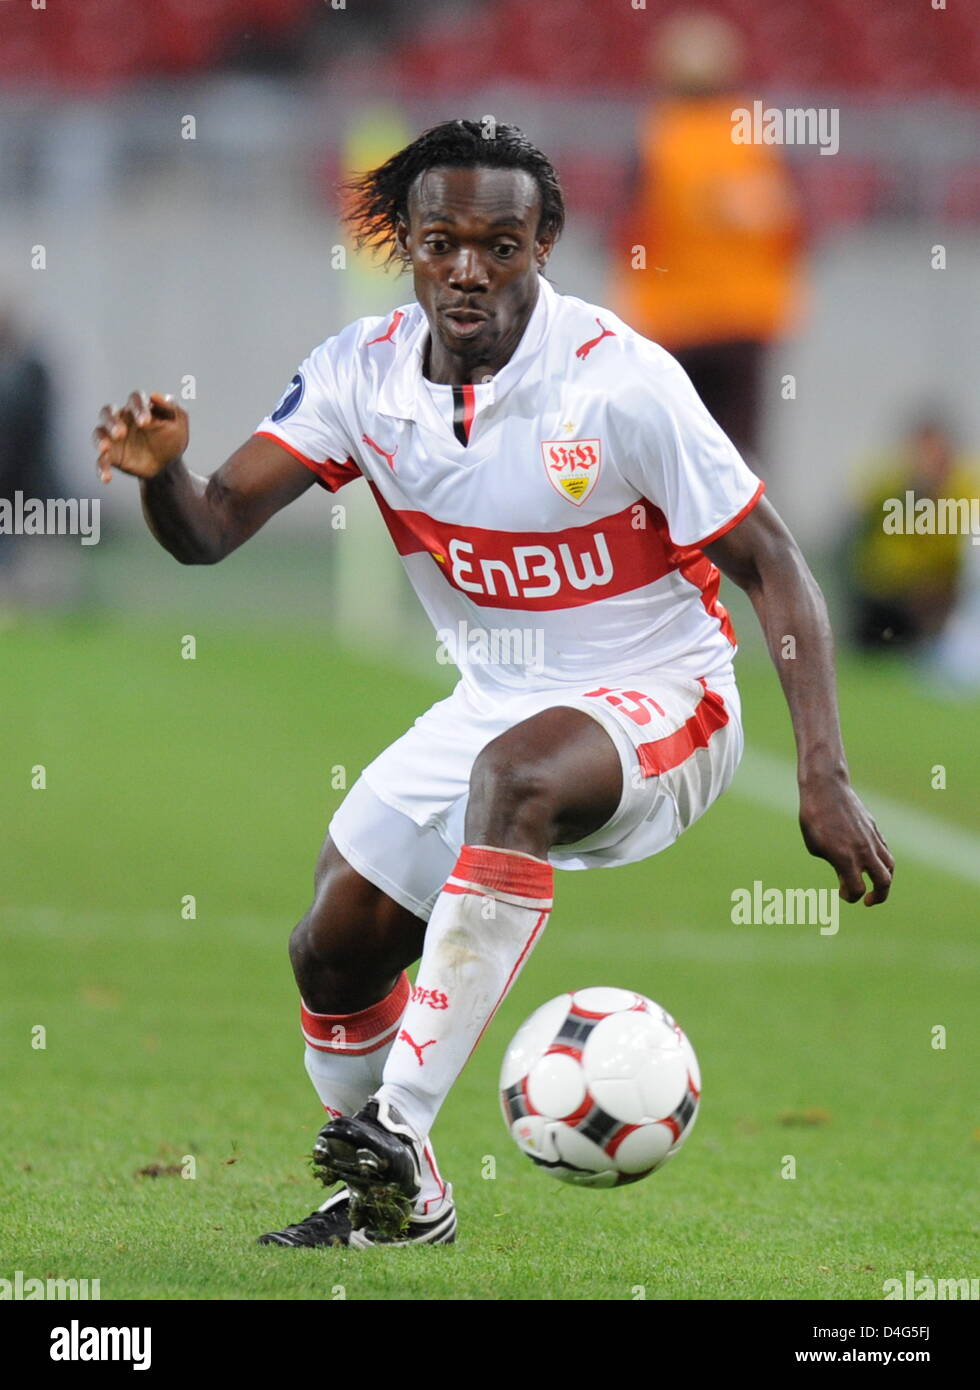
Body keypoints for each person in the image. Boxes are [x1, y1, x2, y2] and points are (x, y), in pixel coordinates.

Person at [92, 120, 892, 1250]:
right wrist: (166, 473)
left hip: (663, 699)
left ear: (543, 244)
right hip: (491, 701)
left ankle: (403, 1131)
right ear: (408, 248)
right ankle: (388, 1201)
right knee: (333, 941)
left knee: (509, 779)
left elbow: (773, 562)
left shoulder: (618, 381)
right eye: (441, 244)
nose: (467, 269)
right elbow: (212, 530)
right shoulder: (357, 375)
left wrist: (822, 776)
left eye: (500, 245)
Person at [608, 12, 803, 463]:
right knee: (738, 453)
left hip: (673, 318)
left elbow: (627, 229)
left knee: (673, 451)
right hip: (746, 317)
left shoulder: (656, 133)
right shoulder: (757, 130)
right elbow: (795, 224)